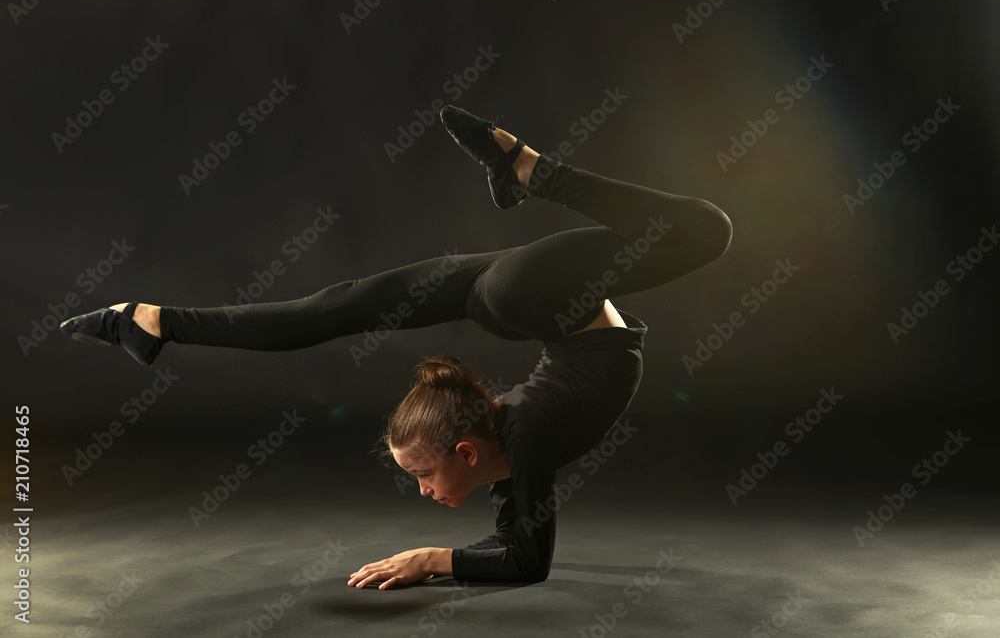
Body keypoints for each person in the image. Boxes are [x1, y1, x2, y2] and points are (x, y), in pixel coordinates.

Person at [60, 105, 733, 589]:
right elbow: (527, 559)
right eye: (424, 475)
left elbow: (515, 545)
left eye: (422, 474)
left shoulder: (514, 439)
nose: (422, 489)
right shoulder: (519, 438)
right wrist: (433, 559)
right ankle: (526, 168)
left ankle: (149, 319)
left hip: (530, 298)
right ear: (467, 449)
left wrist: (432, 560)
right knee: (704, 231)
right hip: (532, 297)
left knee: (335, 308)